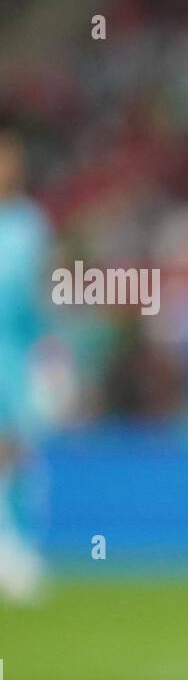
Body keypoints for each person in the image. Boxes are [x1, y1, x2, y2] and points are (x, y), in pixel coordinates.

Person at [0, 122, 49, 604]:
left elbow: (36, 297)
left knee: (16, 448)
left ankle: (16, 544)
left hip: (11, 353)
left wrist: (47, 354)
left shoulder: (29, 225)